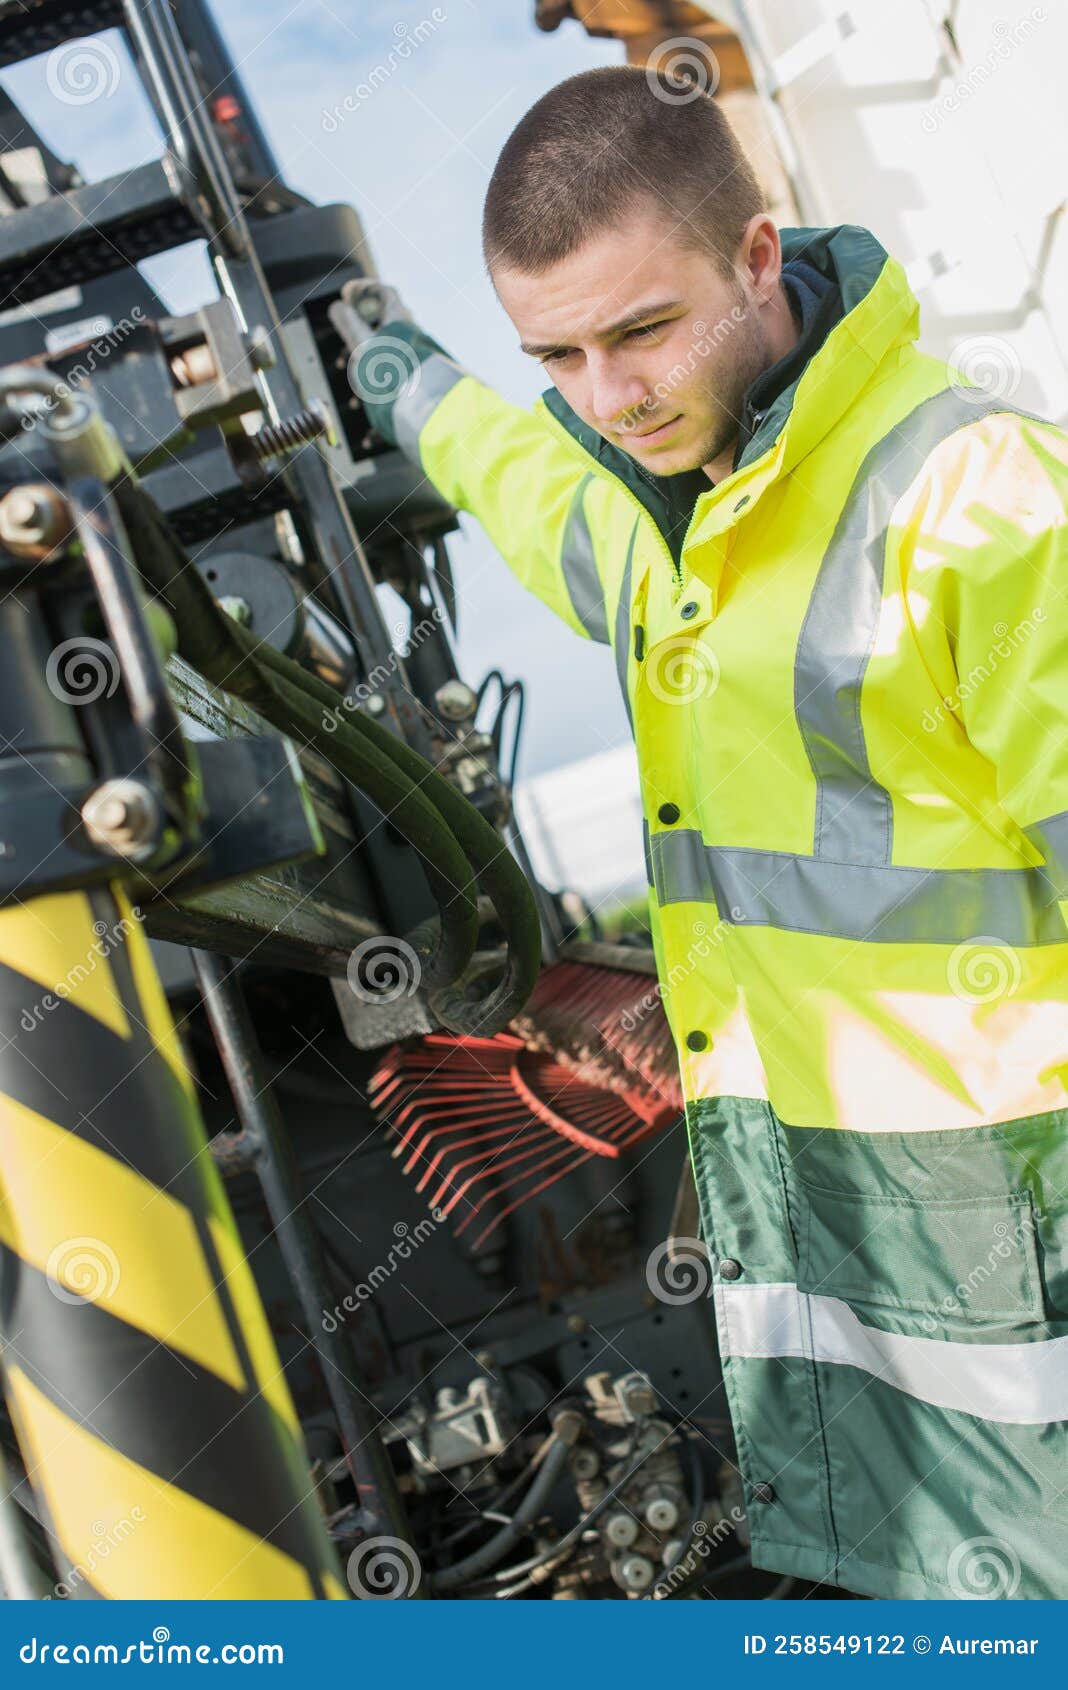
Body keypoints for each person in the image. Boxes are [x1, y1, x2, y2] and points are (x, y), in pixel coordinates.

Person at [330, 65, 1068, 1601]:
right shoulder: (668, 530)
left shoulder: (978, 510)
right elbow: (531, 482)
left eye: (642, 332)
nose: (611, 396)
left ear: (755, 256)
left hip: (1017, 1266)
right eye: (561, 354)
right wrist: (397, 368)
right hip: (854, 1277)